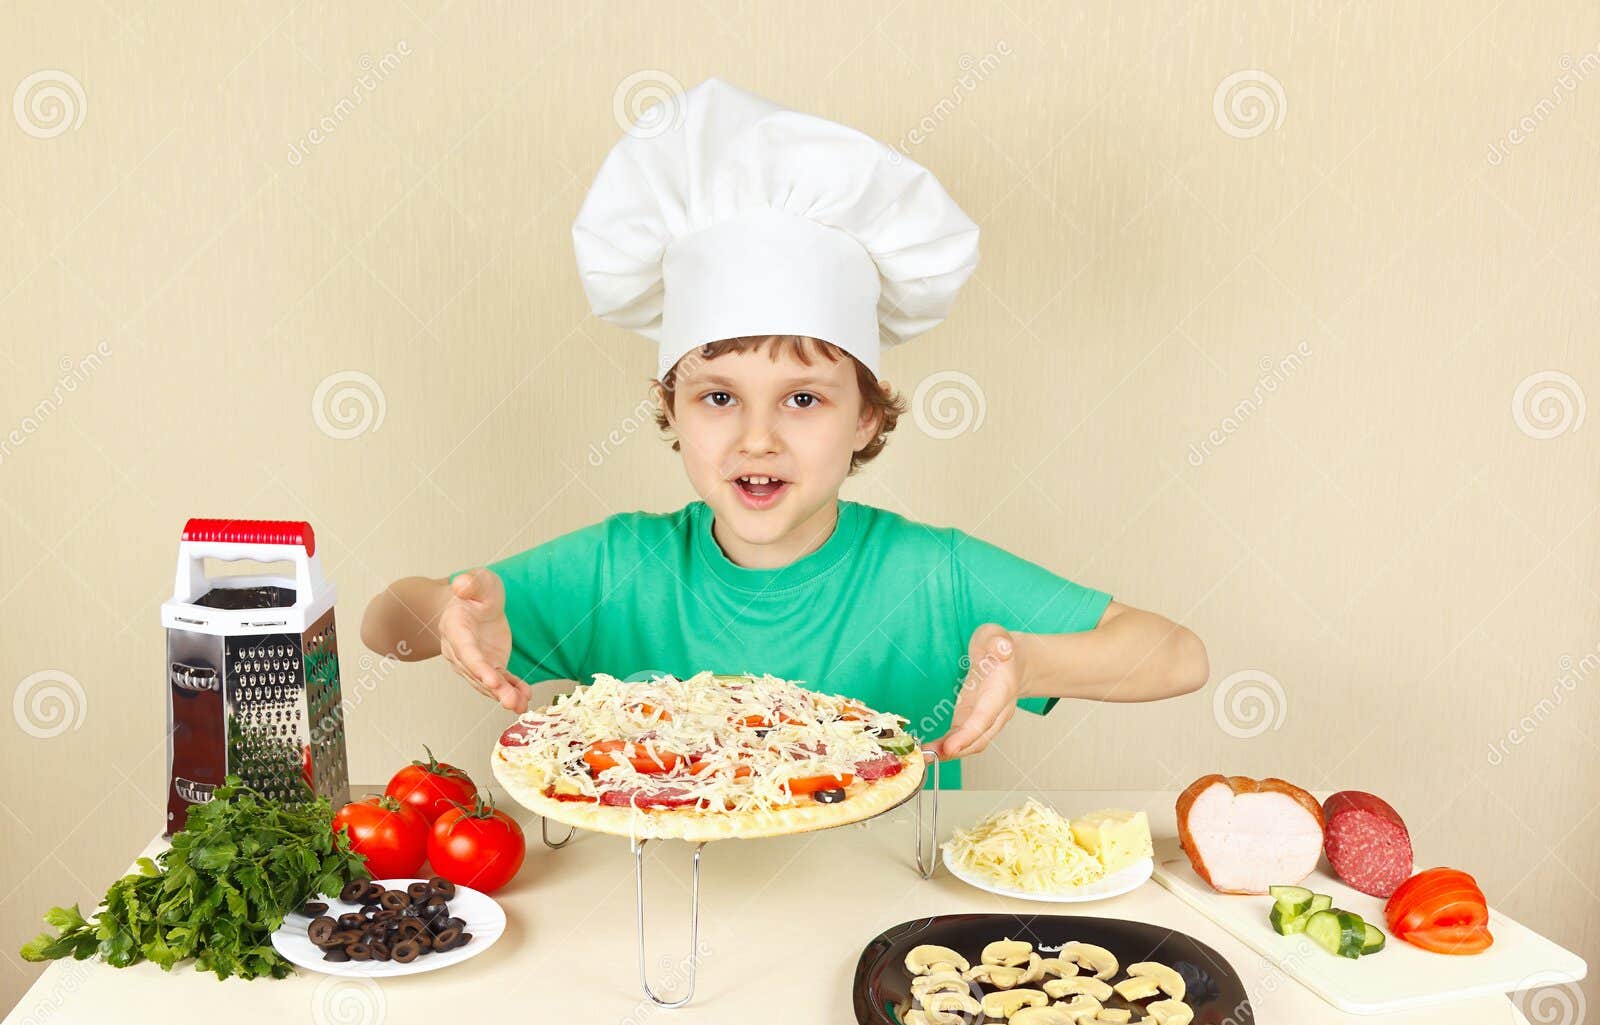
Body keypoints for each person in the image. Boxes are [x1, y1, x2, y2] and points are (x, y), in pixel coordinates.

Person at [362, 79, 1207, 787]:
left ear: (867, 414)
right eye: (719, 397)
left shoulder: (932, 577)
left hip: (889, 930)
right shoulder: (622, 568)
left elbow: (1176, 655)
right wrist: (446, 614)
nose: (757, 438)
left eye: (803, 400)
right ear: (672, 407)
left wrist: (1030, 661)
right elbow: (383, 623)